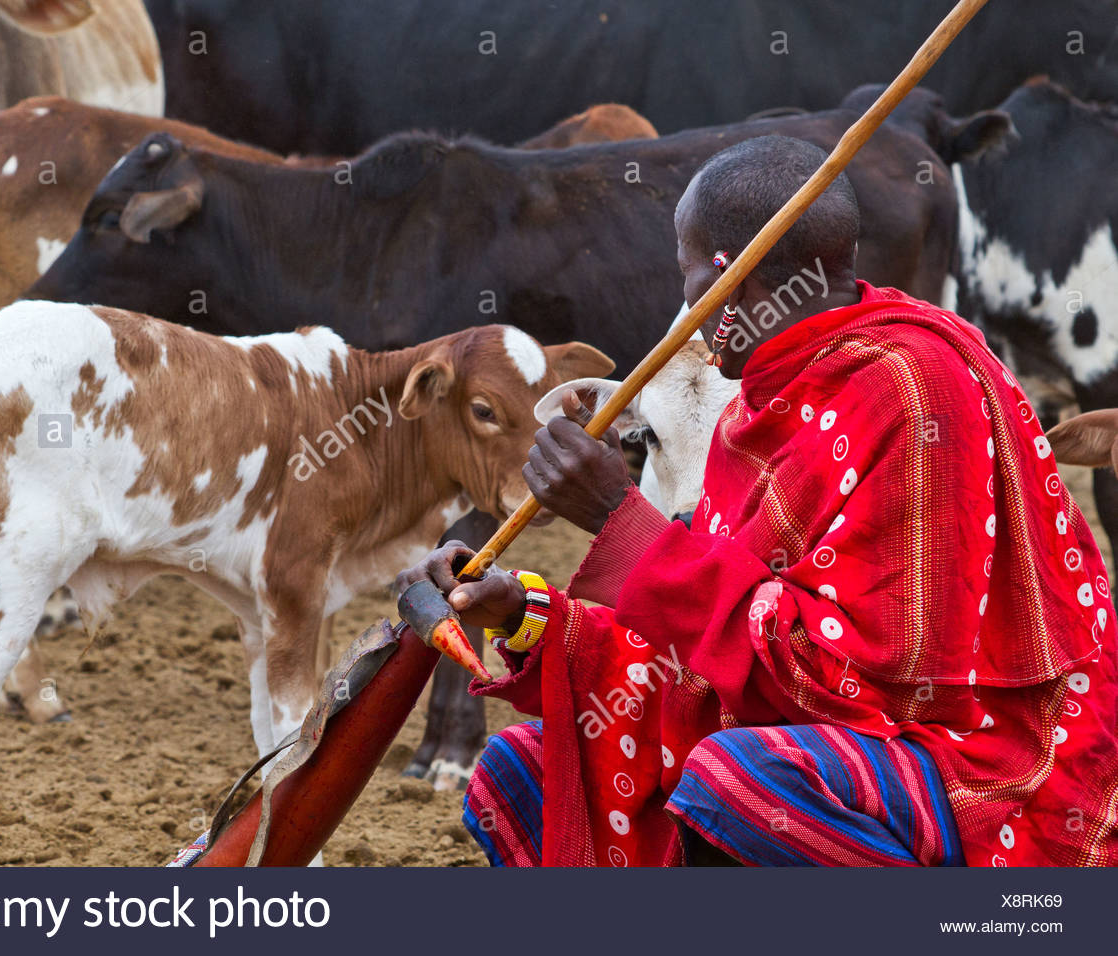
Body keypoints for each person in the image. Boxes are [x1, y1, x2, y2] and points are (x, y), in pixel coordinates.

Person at [395, 135, 1118, 867]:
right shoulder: (768, 401)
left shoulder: (912, 389)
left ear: (729, 281)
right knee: (527, 766)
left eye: (686, 277)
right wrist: (521, 611)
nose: (686, 307)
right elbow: (715, 645)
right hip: (827, 725)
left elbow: (851, 688)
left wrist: (619, 519)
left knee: (741, 781)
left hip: (969, 755)